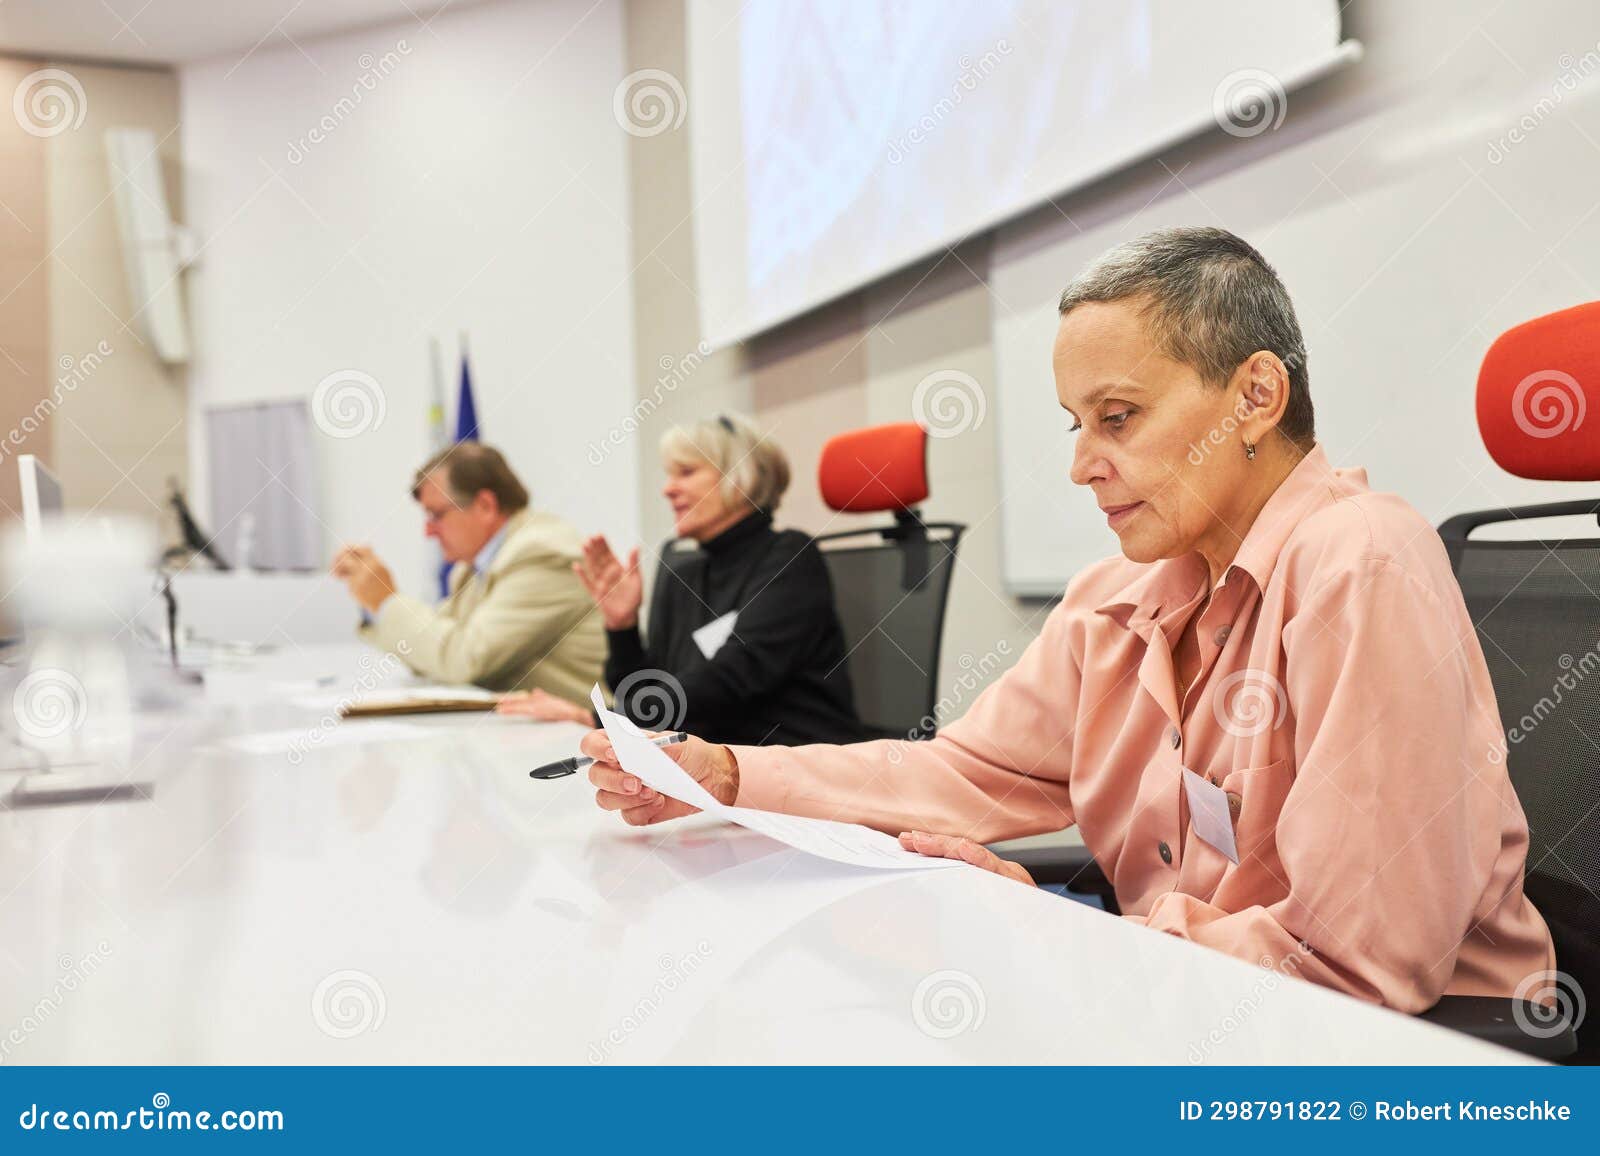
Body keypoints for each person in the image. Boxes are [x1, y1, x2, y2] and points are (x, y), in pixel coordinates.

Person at [578, 227, 1556, 1014]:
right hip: (1180, 1007)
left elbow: (1355, 967)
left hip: (1415, 1056)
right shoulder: (1112, 601)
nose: (1081, 461)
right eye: (1072, 422)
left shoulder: (1360, 559)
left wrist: (1052, 933)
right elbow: (961, 773)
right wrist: (724, 773)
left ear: (1255, 396)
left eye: (1117, 417)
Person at [498, 414, 866, 746]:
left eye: (686, 473)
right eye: (668, 475)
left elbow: (730, 681)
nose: (667, 489)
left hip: (796, 772)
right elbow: (648, 692)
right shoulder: (682, 568)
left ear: (741, 477)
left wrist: (599, 720)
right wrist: (622, 625)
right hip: (710, 770)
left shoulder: (791, 557)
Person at [331, 442, 603, 702]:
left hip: (583, 736)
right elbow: (431, 654)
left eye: (436, 515)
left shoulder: (541, 554)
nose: (428, 532)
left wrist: (385, 600)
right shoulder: (471, 567)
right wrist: (373, 603)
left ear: (485, 505)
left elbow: (463, 660)